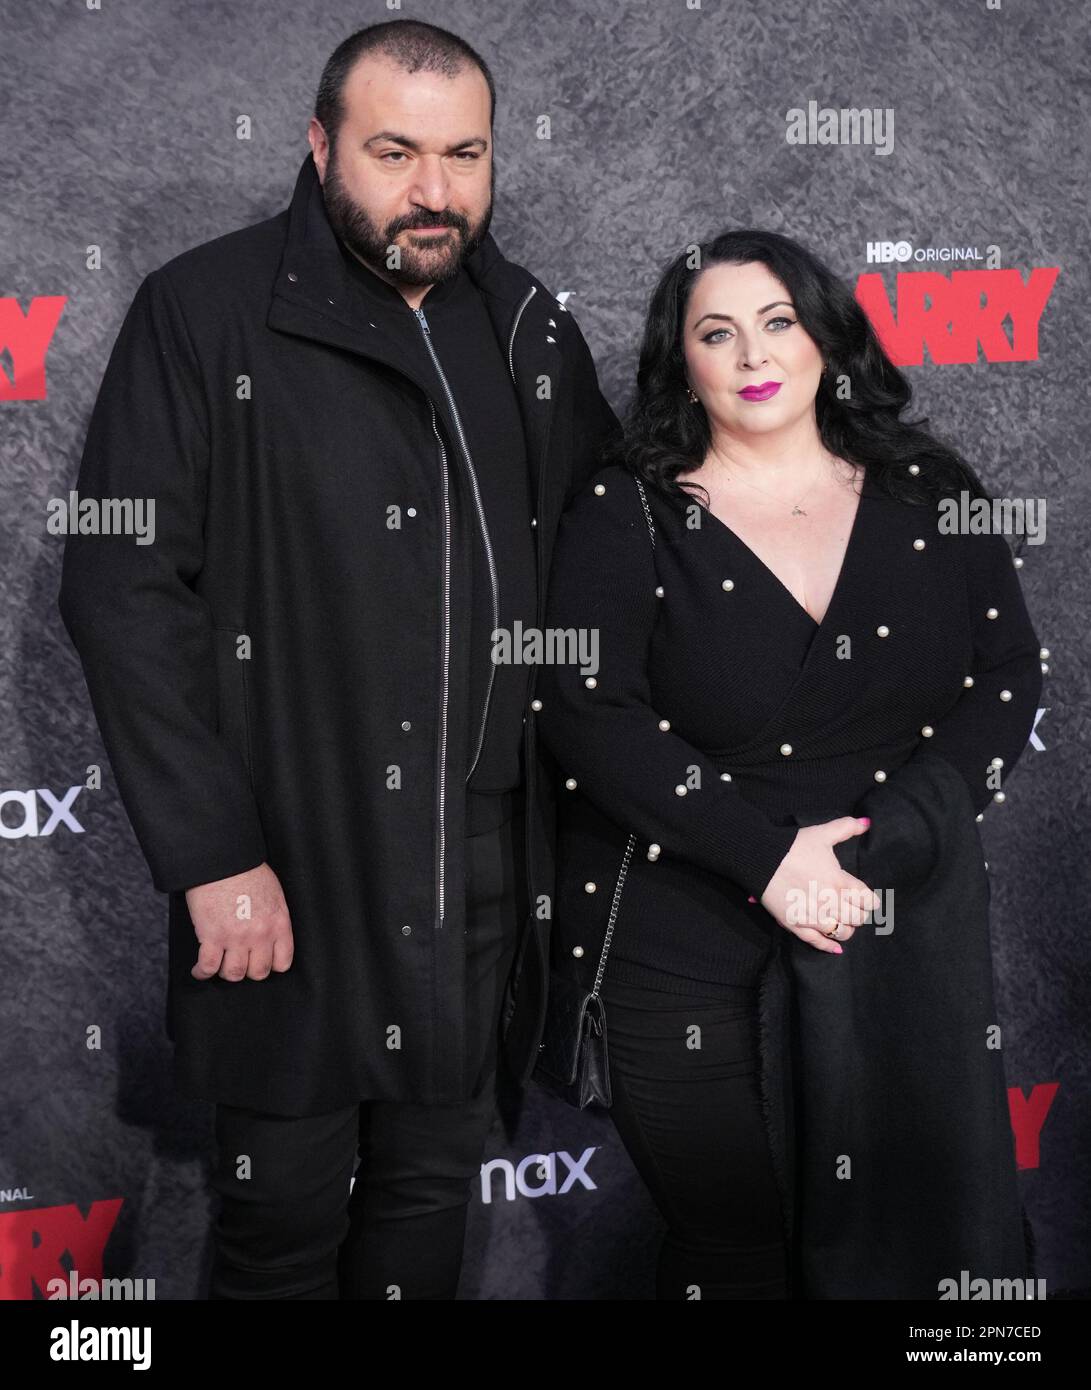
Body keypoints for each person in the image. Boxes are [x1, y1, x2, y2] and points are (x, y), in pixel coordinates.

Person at [57, 19, 619, 1299]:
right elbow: (123, 587)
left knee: (427, 1208)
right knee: (280, 1229)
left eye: (464, 153)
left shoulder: (531, 332)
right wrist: (211, 853)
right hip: (287, 871)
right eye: (394, 151)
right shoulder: (203, 310)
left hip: (475, 872)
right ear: (319, 151)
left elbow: (602, 564)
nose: (435, 190)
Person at [534, 229, 1043, 1299]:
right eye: (715, 332)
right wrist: (768, 862)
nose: (752, 352)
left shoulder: (926, 487)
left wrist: (886, 844)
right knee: (739, 1250)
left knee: (910, 1243)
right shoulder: (624, 511)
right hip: (679, 939)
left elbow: (1004, 677)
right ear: (684, 362)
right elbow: (587, 711)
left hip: (886, 917)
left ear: (825, 338)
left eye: (777, 321)